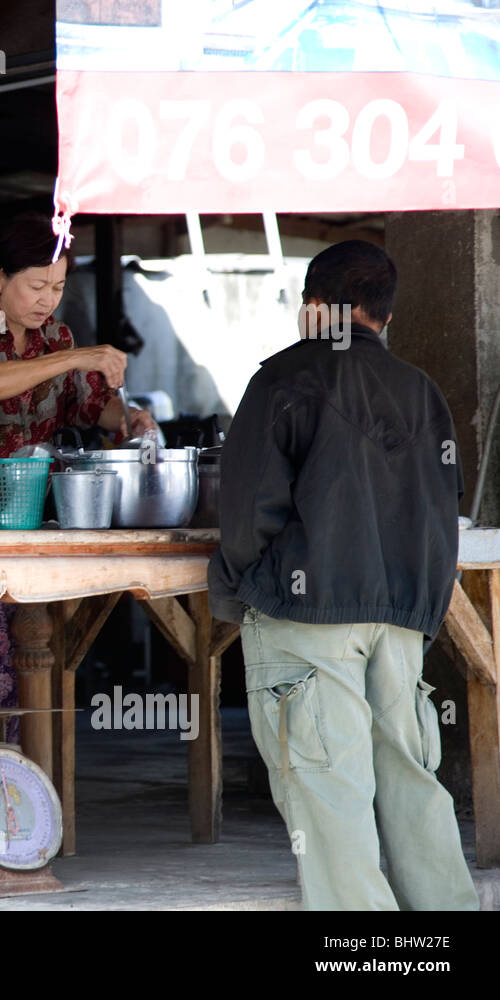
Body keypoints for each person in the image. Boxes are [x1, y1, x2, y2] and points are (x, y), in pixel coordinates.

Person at [208, 239, 478, 910]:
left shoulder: (283, 380)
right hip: (402, 621)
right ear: (383, 316)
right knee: (410, 780)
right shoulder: (422, 391)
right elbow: (445, 509)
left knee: (329, 791)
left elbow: (243, 516)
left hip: (307, 616)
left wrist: (248, 588)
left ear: (312, 309)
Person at [0, 213, 157, 771]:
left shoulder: (56, 338)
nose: (48, 299)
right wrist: (78, 357)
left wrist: (131, 416)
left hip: (17, 529)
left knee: (14, 670)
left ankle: (9, 805)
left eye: (59, 287)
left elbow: (91, 407)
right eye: (36, 285)